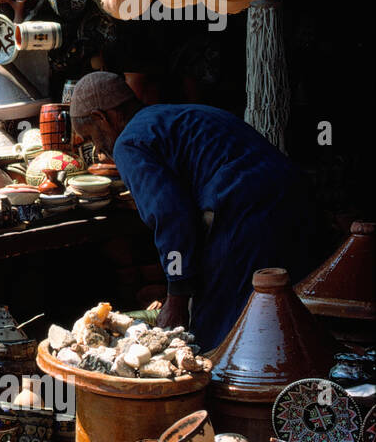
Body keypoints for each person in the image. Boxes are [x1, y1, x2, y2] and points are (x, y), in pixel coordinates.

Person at [69, 71, 320, 348]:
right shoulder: (175, 115)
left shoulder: (130, 142)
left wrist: (176, 296)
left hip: (248, 213)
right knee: (291, 318)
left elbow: (172, 218)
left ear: (102, 117)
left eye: (92, 137)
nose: (101, 151)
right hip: (296, 201)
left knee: (221, 331)